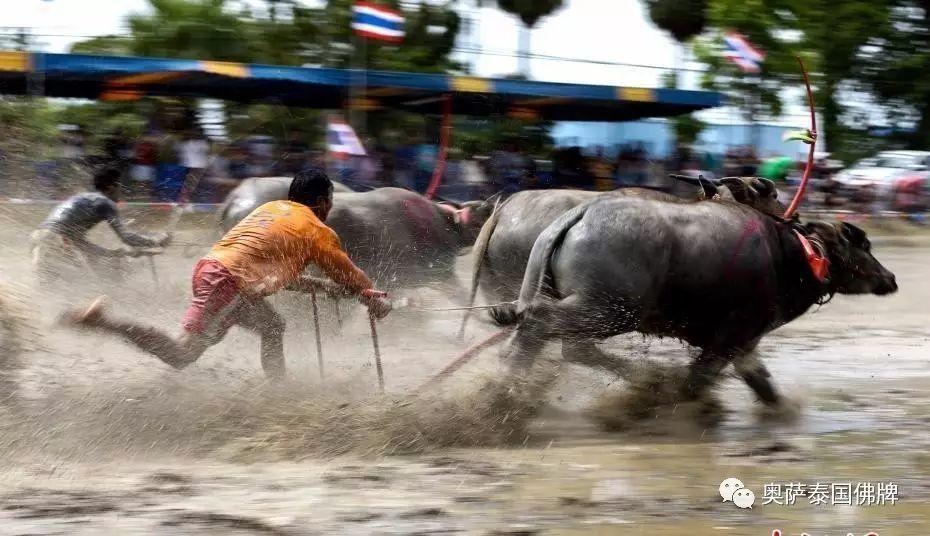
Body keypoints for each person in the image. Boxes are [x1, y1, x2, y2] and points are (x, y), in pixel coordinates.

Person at [62, 169, 392, 380]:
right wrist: (372, 296)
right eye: (331, 203)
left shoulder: (271, 210)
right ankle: (103, 321)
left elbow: (268, 272)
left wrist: (322, 287)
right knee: (183, 354)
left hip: (216, 271)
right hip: (229, 282)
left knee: (273, 326)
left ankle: (278, 389)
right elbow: (351, 276)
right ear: (323, 202)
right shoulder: (316, 228)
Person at [31, 166, 170, 285]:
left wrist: (113, 254)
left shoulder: (82, 198)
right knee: (89, 283)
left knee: (51, 285)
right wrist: (156, 241)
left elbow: (82, 245)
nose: (120, 191)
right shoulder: (105, 202)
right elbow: (126, 237)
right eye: (119, 187)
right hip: (56, 240)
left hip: (39, 237)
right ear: (111, 188)